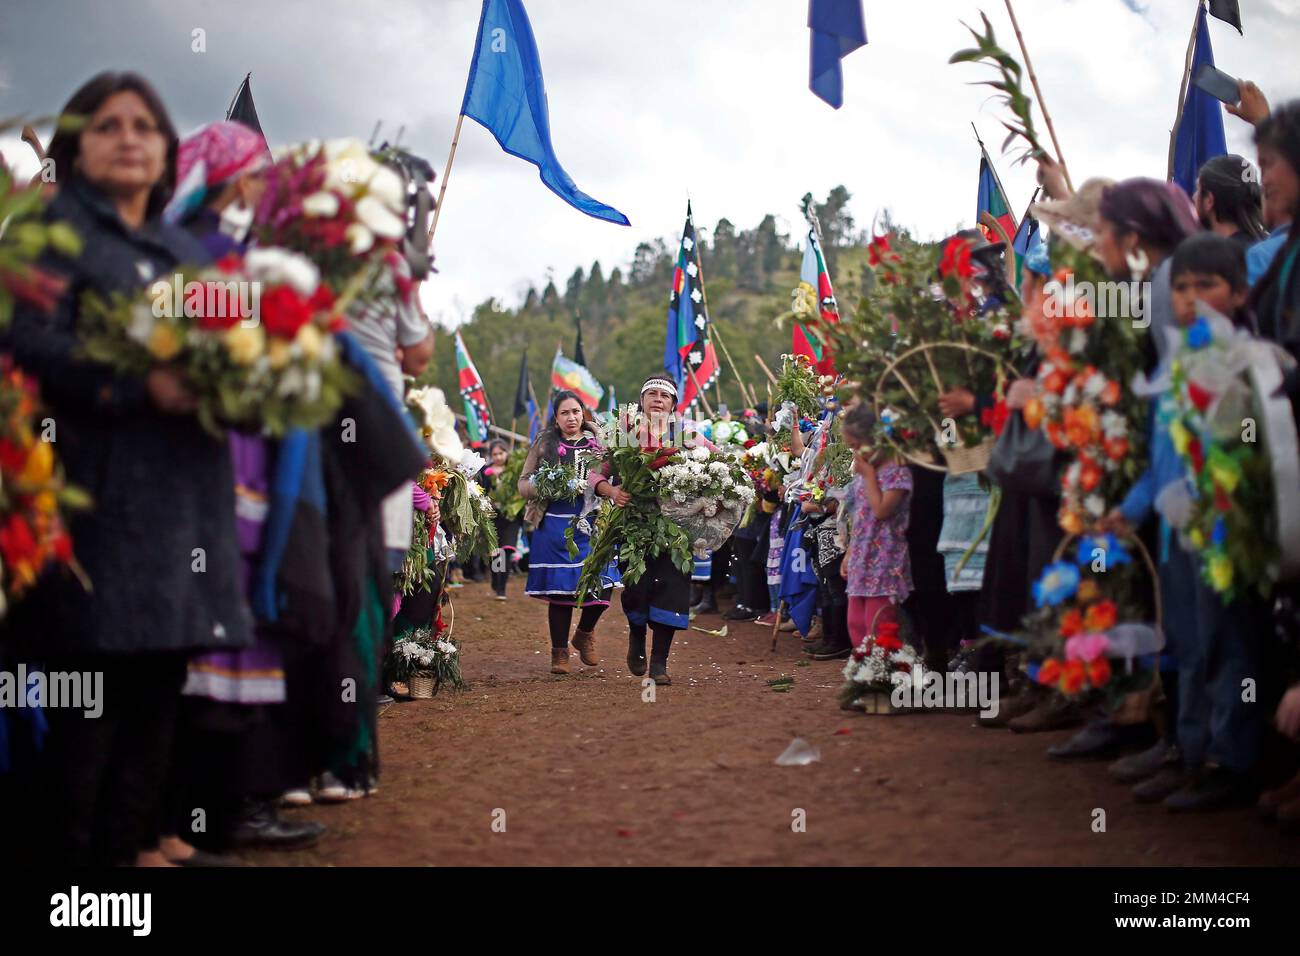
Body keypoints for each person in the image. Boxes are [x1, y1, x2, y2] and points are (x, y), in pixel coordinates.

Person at [6, 72, 252, 867]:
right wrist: (130, 383)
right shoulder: (52, 237)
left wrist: (254, 384)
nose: (129, 138)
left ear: (166, 147)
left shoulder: (188, 252)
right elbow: (26, 344)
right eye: (108, 125)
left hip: (187, 503)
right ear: (77, 143)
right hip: (93, 498)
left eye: (144, 124)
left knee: (157, 692)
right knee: (91, 705)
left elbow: (233, 351)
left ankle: (131, 854)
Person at [1105, 233, 1267, 810]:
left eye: (1209, 286)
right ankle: (1193, 754)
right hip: (1176, 535)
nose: (1192, 298)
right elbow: (1160, 459)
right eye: (1182, 288)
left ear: (1241, 292)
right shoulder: (1176, 371)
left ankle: (1234, 760)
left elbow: (1256, 452)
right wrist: (1130, 510)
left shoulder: (1249, 362)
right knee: (1191, 646)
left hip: (1226, 535)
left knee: (1229, 647)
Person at [602, 375, 712, 685]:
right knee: (637, 588)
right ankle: (637, 635)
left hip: (676, 528)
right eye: (651, 393)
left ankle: (659, 663)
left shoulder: (688, 435)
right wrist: (612, 492)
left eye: (665, 395)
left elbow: (720, 464)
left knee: (672, 588)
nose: (658, 399)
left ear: (674, 404)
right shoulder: (624, 434)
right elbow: (599, 474)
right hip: (634, 524)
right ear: (642, 400)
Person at [520, 390, 621, 674]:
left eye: (575, 411)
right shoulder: (544, 443)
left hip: (593, 522)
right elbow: (523, 483)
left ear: (583, 413)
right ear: (556, 418)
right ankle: (559, 652)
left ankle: (585, 633)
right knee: (561, 591)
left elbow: (615, 474)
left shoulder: (600, 442)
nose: (571, 417)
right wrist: (547, 485)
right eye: (565, 413)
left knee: (604, 582)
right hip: (554, 524)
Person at [838, 403, 912, 648]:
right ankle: (863, 673)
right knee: (855, 623)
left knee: (878, 623)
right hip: (862, 555)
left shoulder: (896, 471)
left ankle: (881, 676)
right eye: (852, 447)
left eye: (858, 446)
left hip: (885, 559)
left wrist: (869, 475)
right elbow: (859, 514)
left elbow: (882, 510)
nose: (856, 453)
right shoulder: (864, 471)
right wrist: (849, 552)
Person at [1192, 154, 1265, 248]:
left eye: (1198, 189)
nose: (1194, 197)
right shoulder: (1277, 252)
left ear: (1209, 200)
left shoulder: (1214, 259)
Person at [483, 438, 522, 600]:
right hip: (493, 517)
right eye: (495, 454)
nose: (498, 457)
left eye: (501, 453)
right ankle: (495, 578)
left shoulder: (514, 470)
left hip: (511, 516)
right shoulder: (485, 472)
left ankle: (501, 589)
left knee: (506, 551)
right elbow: (482, 492)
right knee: (495, 552)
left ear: (507, 453)